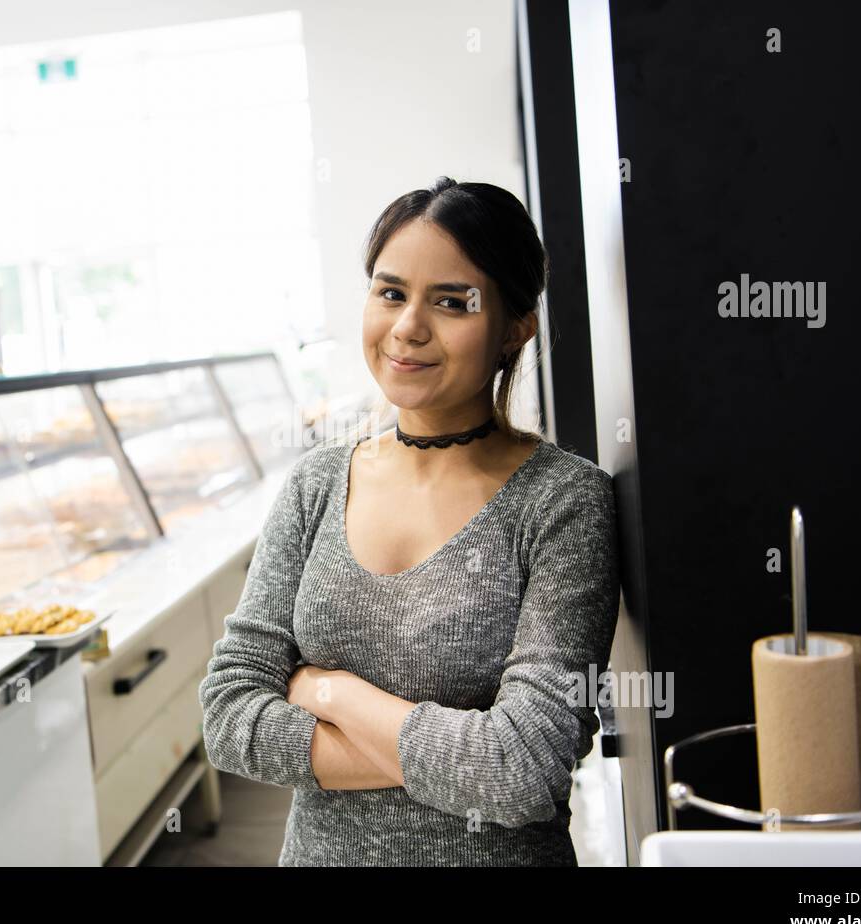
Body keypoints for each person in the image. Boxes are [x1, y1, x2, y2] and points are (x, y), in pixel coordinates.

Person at [198, 176, 621, 865]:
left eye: (452, 302)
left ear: (515, 328)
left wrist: (330, 690)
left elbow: (525, 768)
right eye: (390, 293)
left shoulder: (563, 503)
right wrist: (465, 756)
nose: (408, 328)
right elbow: (227, 714)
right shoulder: (317, 483)